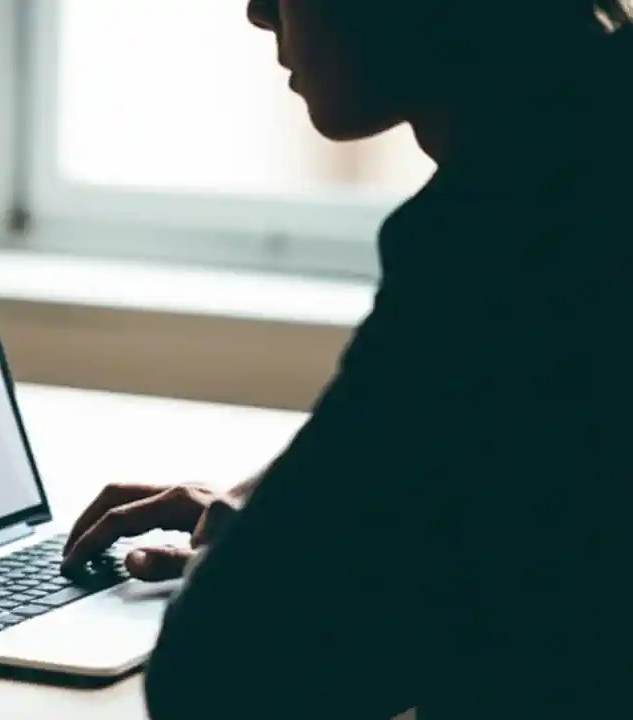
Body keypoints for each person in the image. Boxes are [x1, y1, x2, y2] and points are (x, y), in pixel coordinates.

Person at [61, 2, 629, 718]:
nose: (258, 12)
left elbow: (214, 681)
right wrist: (287, 523)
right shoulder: (589, 141)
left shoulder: (508, 233)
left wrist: (258, 561)